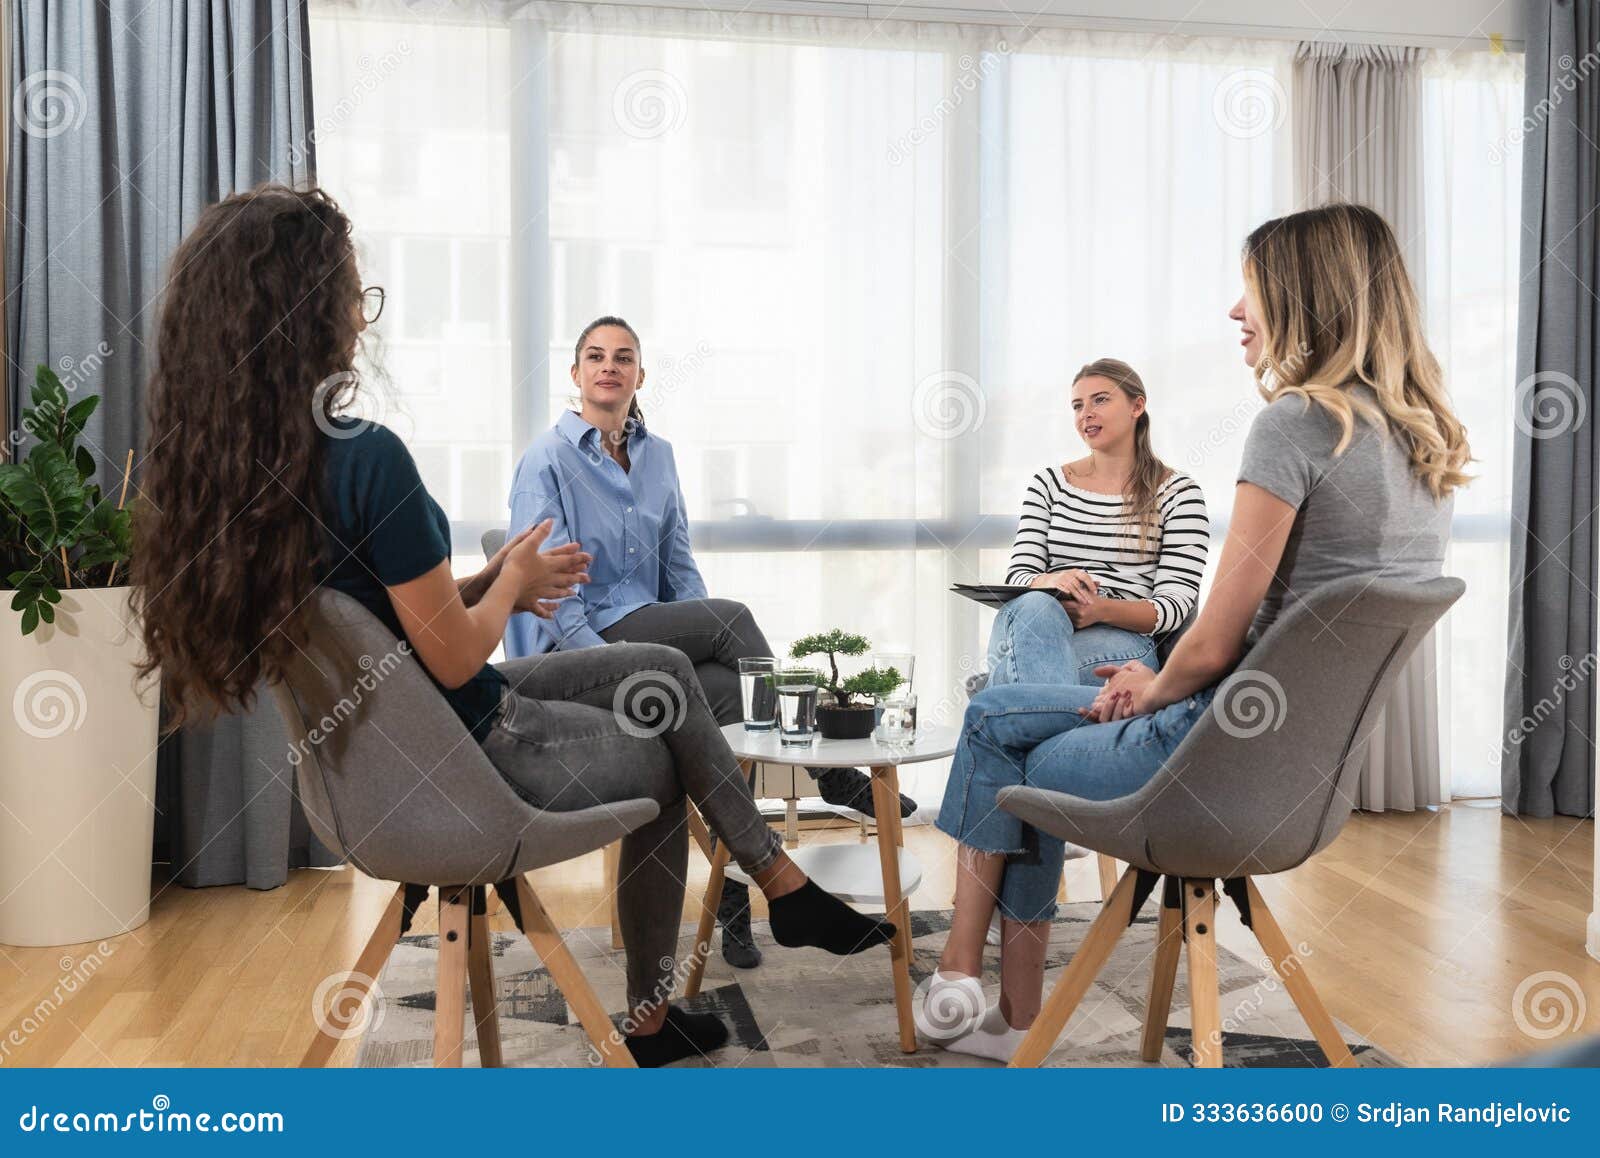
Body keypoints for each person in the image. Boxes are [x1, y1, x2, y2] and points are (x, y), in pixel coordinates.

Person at [131, 185, 895, 1068]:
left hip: (381, 771)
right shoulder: (367, 458)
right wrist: (515, 588)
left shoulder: (249, 477)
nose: (359, 319)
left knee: (661, 676)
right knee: (664, 741)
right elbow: (456, 656)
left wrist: (494, 575)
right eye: (352, 296)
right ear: (304, 313)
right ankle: (692, 974)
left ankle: (777, 883)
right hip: (474, 749)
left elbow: (380, 617)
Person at [923, 203, 1472, 1061]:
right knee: (1028, 665)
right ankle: (1001, 1001)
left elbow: (1211, 643)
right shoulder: (1424, 444)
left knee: (998, 722)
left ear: (1305, 297)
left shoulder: (1298, 424)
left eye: (1249, 290)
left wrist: (1149, 686)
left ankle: (977, 982)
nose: (1234, 311)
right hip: (1297, 791)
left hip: (1195, 768)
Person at [503, 315, 915, 969]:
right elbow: (548, 595)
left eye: (624, 356)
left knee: (738, 701)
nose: (609, 366)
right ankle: (829, 771)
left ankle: (736, 906)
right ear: (576, 374)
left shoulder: (658, 457)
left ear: (640, 374)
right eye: (595, 356)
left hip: (645, 638)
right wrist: (629, 656)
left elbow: (679, 570)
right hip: (577, 652)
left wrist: (687, 642)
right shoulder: (546, 460)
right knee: (731, 621)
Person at [990, 357, 1209, 690]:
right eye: (1077, 405)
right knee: (1035, 605)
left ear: (1137, 406)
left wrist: (1099, 610)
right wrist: (1054, 580)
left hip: (1120, 638)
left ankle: (995, 694)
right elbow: (1019, 576)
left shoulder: (1179, 493)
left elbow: (1173, 607)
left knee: (1009, 680)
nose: (1085, 413)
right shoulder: (1048, 484)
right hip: (1034, 621)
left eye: (1101, 400)